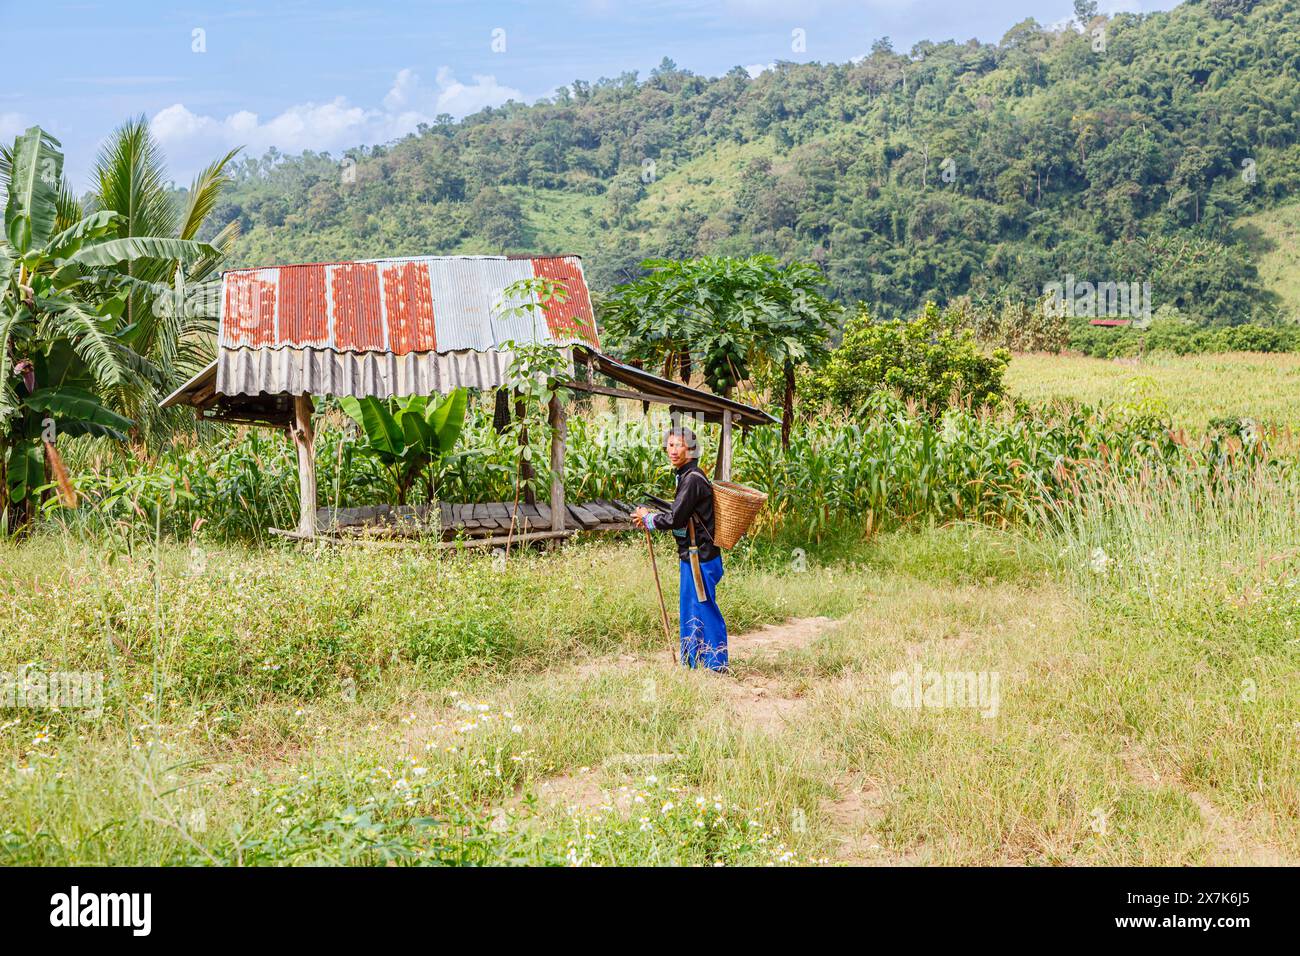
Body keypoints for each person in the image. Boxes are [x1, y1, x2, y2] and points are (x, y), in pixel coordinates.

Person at [632, 427, 728, 672]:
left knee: (704, 607)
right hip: (692, 555)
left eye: (679, 445)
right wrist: (650, 518)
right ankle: (693, 662)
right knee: (690, 607)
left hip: (701, 558)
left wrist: (648, 519)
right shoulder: (686, 476)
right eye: (670, 445)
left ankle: (716, 665)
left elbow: (676, 519)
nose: (672, 450)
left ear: (692, 449)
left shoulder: (693, 479)